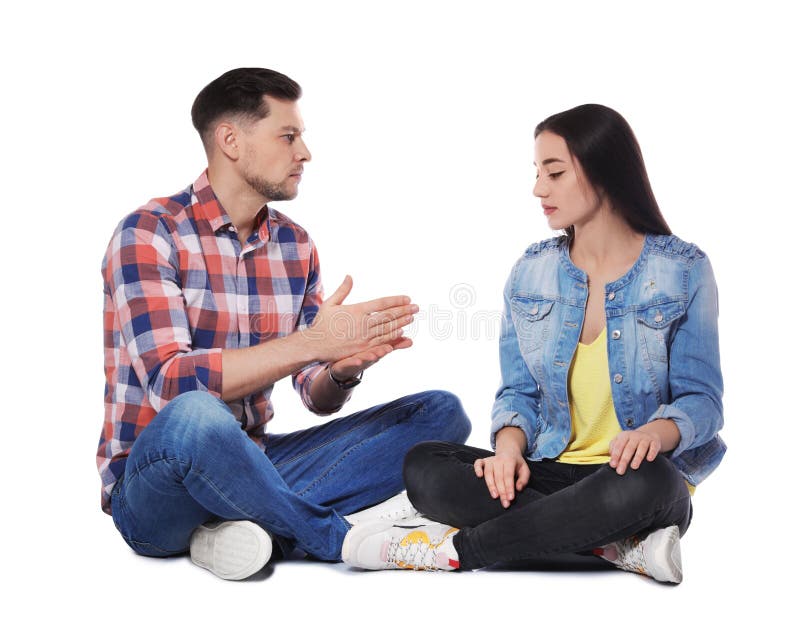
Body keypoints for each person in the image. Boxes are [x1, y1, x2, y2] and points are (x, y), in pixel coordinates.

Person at [96, 67, 471, 581]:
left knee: (439, 416)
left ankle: (243, 530)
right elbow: (170, 382)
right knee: (199, 416)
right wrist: (310, 342)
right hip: (156, 484)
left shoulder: (295, 245)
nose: (305, 153)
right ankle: (337, 539)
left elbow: (314, 397)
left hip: (257, 462)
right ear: (231, 140)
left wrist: (338, 371)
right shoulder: (149, 232)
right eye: (288, 136)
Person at [342, 104, 725, 584]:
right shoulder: (532, 271)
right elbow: (518, 394)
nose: (538, 188)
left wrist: (654, 435)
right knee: (425, 465)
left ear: (605, 170)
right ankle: (617, 546)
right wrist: (506, 452)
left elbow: (702, 401)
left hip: (631, 477)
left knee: (656, 484)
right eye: (537, 171)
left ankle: (452, 551)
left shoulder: (683, 269)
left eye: (555, 172)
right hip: (544, 469)